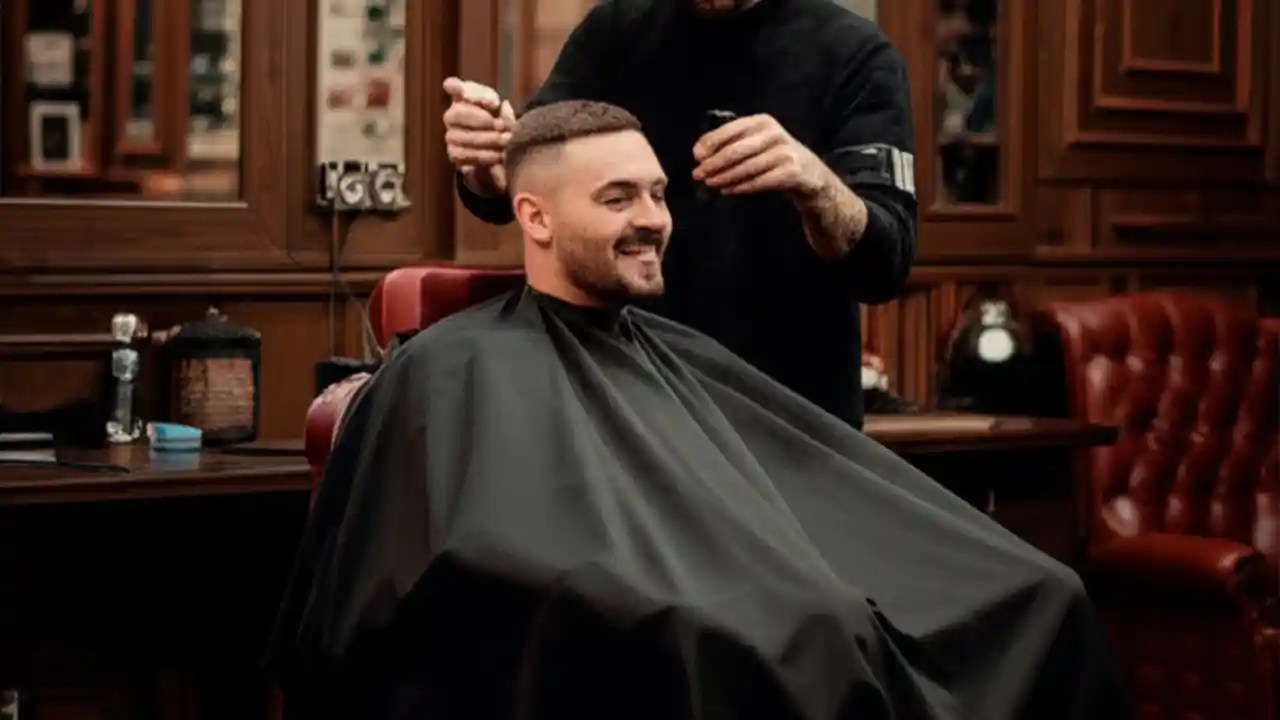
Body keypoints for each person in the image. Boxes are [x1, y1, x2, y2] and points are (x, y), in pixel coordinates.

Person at [267, 101, 1130, 720]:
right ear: (533, 216)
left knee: (1041, 594)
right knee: (805, 635)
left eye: (658, 194)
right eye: (617, 199)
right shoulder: (451, 367)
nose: (653, 220)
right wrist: (668, 597)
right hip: (652, 611)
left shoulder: (673, 351)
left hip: (738, 579)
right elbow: (466, 556)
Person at [443, 0, 917, 429]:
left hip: (789, 418)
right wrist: (489, 165)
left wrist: (816, 185)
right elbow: (522, 181)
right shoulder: (616, 32)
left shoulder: (855, 54)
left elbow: (884, 261)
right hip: (635, 402)